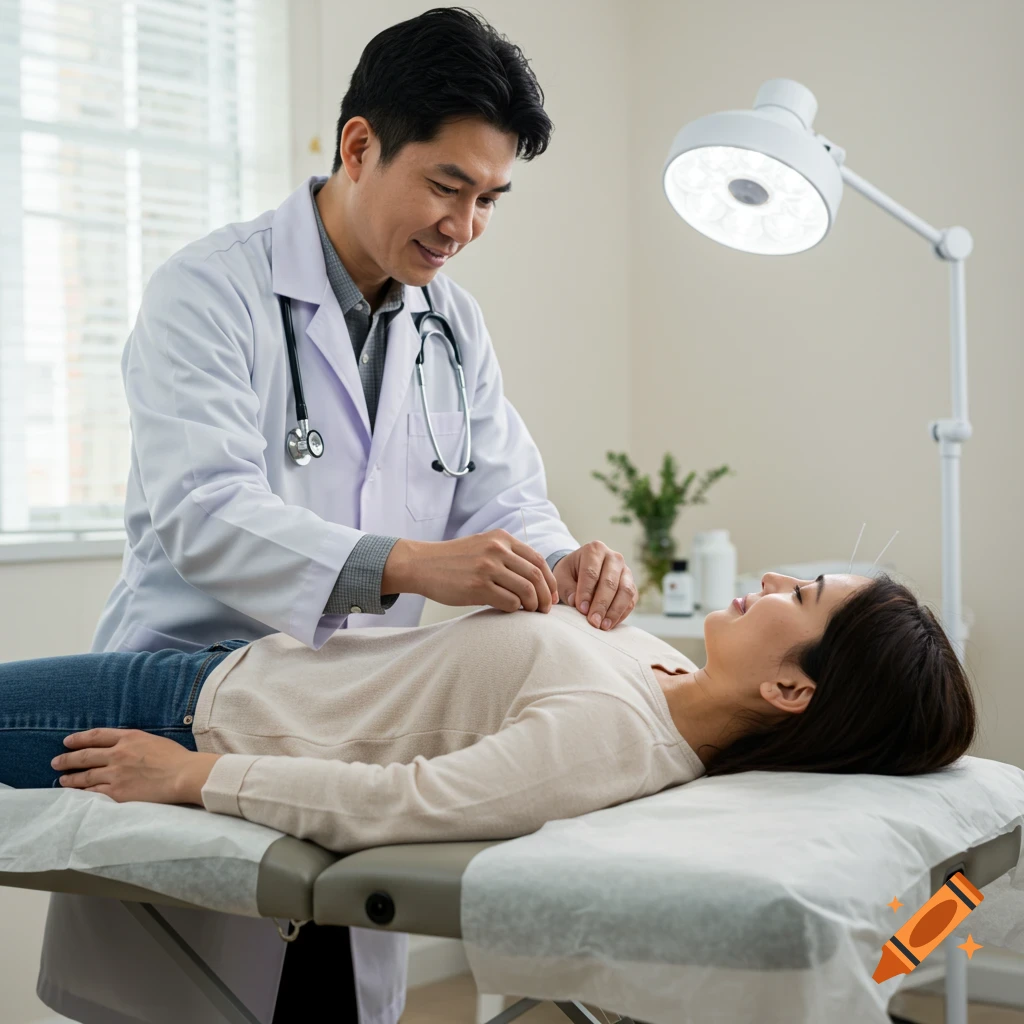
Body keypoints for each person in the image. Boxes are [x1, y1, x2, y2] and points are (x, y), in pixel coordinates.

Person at [38, 9, 639, 1024]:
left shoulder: (452, 323)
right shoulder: (210, 290)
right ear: (359, 147)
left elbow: (503, 493)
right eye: (446, 186)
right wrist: (408, 563)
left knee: (327, 996)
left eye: (489, 199)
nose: (464, 226)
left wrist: (561, 559)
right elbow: (205, 513)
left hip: (356, 727)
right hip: (195, 691)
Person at [2, 575, 977, 850]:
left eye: (798, 596)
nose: (768, 581)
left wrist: (194, 776)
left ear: (792, 690)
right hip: (232, 667)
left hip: (191, 719)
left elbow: (409, 801)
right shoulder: (663, 667)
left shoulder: (616, 737)